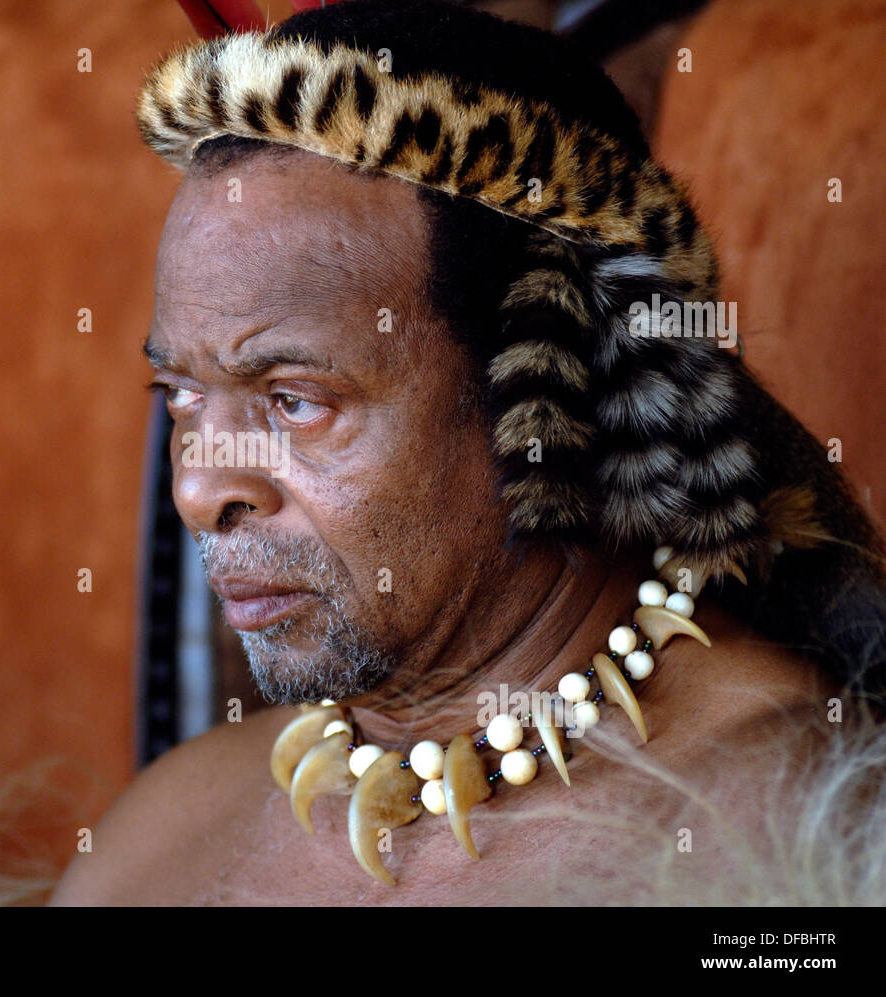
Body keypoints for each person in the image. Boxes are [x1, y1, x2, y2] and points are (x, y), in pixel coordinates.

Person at [52, 0, 886, 904]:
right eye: (181, 394)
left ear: (556, 390)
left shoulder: (806, 834)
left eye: (294, 401)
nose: (201, 488)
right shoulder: (157, 836)